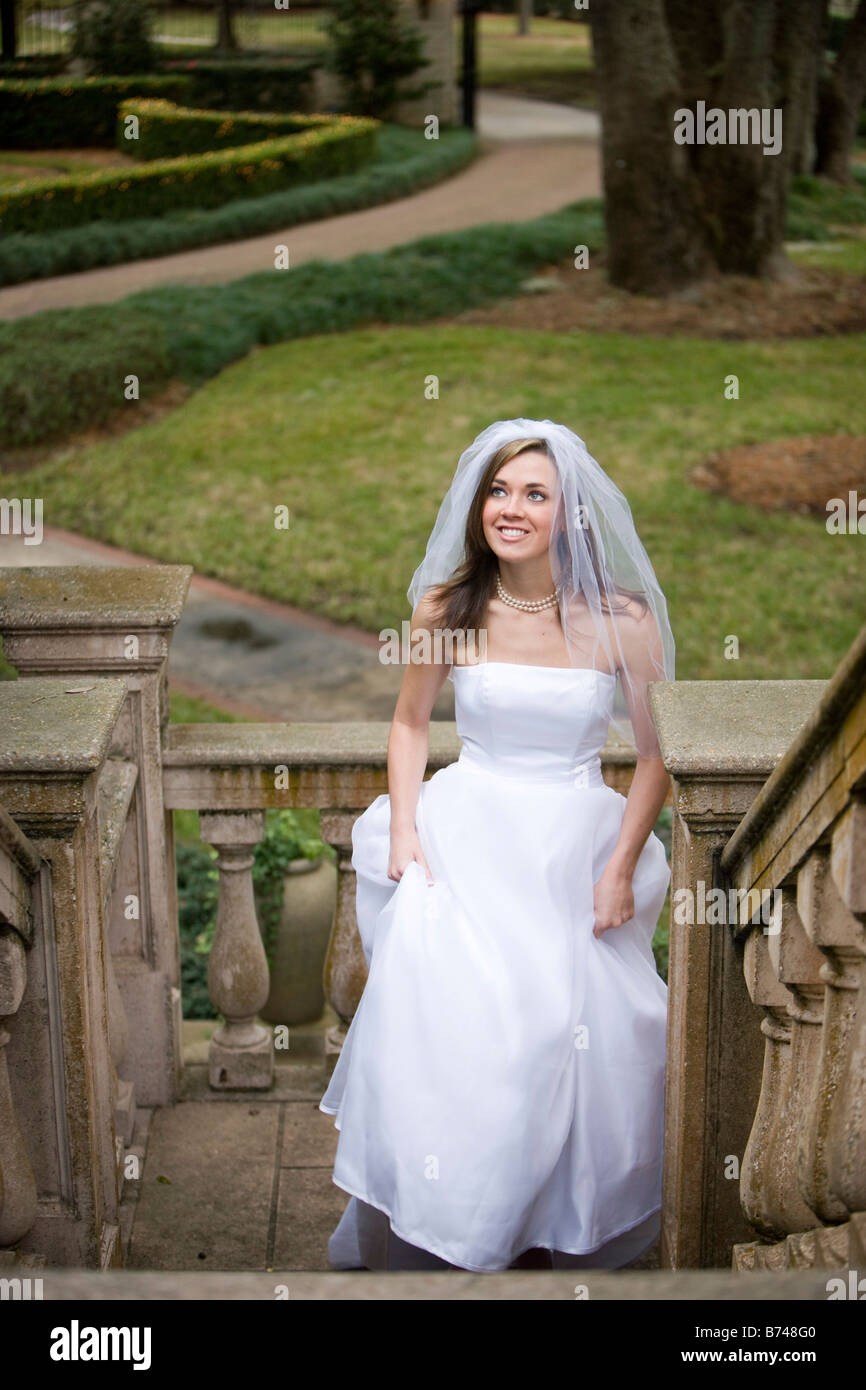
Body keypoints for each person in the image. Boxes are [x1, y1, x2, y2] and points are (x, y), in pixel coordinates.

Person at [319, 417, 674, 1272]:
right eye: (499, 491)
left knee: (567, 1037)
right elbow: (408, 724)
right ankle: (449, 1219)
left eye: (535, 495)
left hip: (571, 850)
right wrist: (405, 828)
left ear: (570, 515)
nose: (510, 508)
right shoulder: (446, 608)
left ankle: (544, 1222)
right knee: (465, 1040)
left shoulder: (620, 624)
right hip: (465, 837)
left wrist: (620, 867)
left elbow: (659, 757)